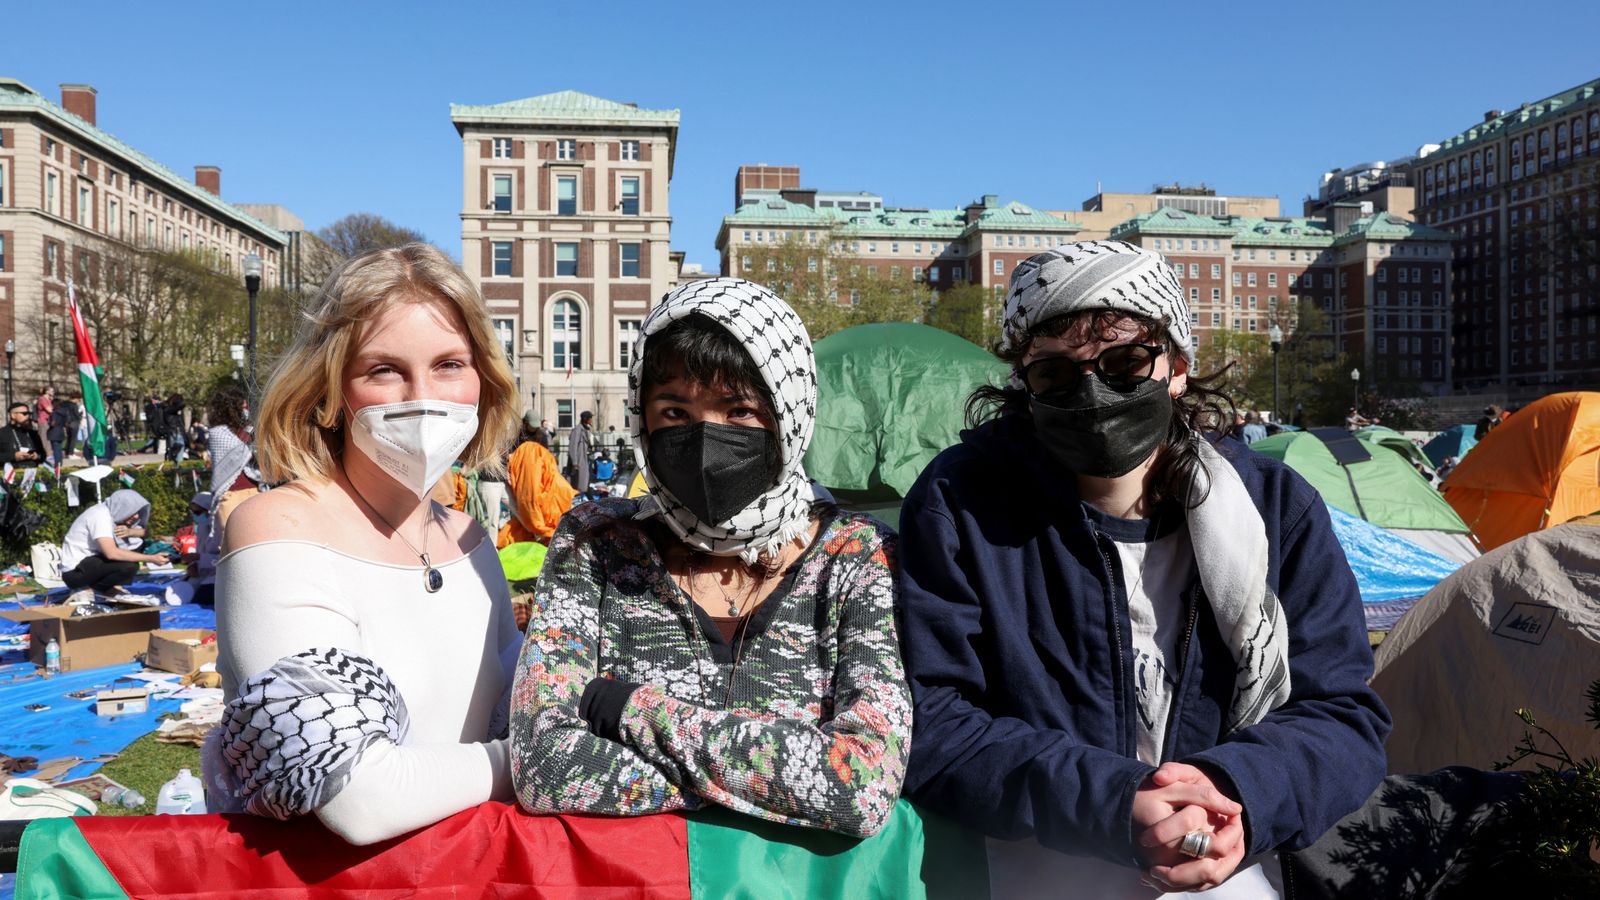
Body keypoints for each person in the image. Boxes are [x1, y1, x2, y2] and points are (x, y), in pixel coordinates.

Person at [897, 242, 1390, 897]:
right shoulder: (959, 505)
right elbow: (931, 718)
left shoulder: (1276, 508)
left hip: (1232, 865)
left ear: (1177, 366)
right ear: (1027, 383)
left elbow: (1341, 716)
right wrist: (1114, 802)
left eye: (1126, 362)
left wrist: (1238, 791)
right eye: (1056, 374)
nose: (1093, 392)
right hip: (1029, 869)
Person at [510, 278, 910, 837]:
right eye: (675, 411)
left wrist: (633, 711)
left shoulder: (854, 556)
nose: (705, 439)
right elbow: (544, 763)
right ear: (642, 416)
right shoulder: (595, 544)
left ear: (788, 418)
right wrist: (772, 776)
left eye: (740, 411)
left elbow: (860, 782)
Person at [206, 242, 522, 846]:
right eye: (384, 370)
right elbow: (357, 798)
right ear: (330, 389)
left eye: (450, 364)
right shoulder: (276, 527)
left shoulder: (470, 536)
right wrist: (541, 763)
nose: (420, 394)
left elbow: (521, 701)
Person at [59, 489, 169, 593]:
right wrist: (151, 558)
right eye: (133, 511)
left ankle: (106, 588)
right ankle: (90, 589)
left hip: (88, 563)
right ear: (123, 507)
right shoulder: (100, 516)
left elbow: (144, 533)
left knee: (132, 555)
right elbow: (111, 553)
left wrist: (131, 532)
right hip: (75, 572)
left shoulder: (110, 514)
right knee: (129, 566)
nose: (136, 516)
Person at [493, 422, 575, 548]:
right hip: (542, 484)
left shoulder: (529, 449)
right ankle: (541, 534)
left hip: (538, 482)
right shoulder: (528, 448)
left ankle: (540, 534)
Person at [205, 386, 260, 536]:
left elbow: (259, 452)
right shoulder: (218, 432)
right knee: (232, 539)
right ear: (231, 409)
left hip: (255, 491)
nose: (245, 410)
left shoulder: (250, 429)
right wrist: (249, 430)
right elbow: (239, 450)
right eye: (242, 407)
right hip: (230, 495)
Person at [0, 402, 46, 467]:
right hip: (10, 474)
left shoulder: (33, 434)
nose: (28, 416)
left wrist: (37, 456)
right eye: (24, 414)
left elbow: (43, 454)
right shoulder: (2, 433)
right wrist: (13, 456)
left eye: (29, 414)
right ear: (13, 415)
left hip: (32, 472)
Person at [46, 391, 82, 464]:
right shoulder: (74, 405)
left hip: (66, 424)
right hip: (74, 422)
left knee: (69, 438)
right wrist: (80, 416)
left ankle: (67, 452)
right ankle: (70, 453)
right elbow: (76, 415)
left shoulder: (64, 404)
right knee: (73, 438)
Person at [566, 410, 593, 490]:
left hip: (584, 459)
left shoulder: (586, 429)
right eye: (590, 418)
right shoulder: (577, 430)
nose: (592, 420)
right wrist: (575, 462)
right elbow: (573, 446)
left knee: (584, 481)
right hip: (578, 461)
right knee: (577, 482)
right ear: (586, 419)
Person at [162, 393, 187, 461]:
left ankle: (176, 466)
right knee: (178, 449)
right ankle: (177, 467)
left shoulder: (170, 409)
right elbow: (182, 404)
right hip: (174, 432)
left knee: (175, 451)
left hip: (174, 432)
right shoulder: (170, 409)